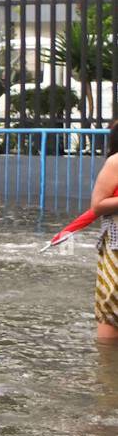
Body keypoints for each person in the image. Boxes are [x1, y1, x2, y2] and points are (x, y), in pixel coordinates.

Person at [91, 117, 118, 342]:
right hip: (116, 248)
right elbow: (97, 205)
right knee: (112, 308)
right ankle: (106, 370)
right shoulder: (115, 163)